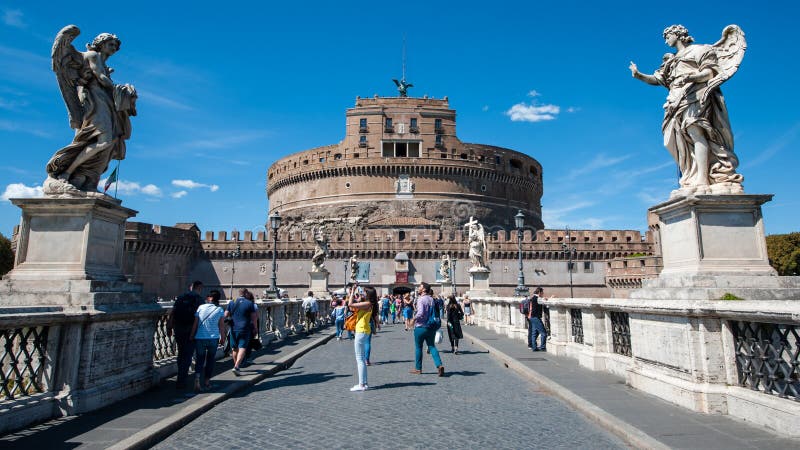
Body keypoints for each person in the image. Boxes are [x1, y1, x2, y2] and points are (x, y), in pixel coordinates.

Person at [629, 24, 744, 196]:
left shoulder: (700, 50)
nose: (666, 40)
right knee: (674, 139)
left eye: (668, 36)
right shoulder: (671, 60)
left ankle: (703, 180)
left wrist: (692, 77)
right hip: (675, 100)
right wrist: (638, 75)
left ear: (678, 34)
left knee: (696, 132)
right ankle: (692, 176)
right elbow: (657, 80)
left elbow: (710, 73)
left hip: (695, 95)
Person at [167, 280, 204, 389]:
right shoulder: (199, 300)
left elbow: (173, 312)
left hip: (178, 328)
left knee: (181, 353)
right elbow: (199, 319)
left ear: (190, 287)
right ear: (199, 288)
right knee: (188, 354)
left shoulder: (181, 297)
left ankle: (180, 375)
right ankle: (181, 379)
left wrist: (169, 326)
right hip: (191, 330)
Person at [190, 289, 225, 392]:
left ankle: (197, 379)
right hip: (213, 338)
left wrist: (192, 335)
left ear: (209, 298)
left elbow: (195, 324)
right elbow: (221, 326)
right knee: (210, 361)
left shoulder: (201, 307)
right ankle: (207, 382)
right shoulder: (219, 310)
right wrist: (222, 338)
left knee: (199, 360)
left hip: (200, 337)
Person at [409, 282, 445, 377]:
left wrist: (413, 319)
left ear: (424, 289)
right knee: (432, 346)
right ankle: (439, 365)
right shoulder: (431, 299)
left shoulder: (421, 299)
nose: (418, 288)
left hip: (421, 327)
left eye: (420, 286)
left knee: (418, 347)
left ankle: (418, 368)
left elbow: (420, 312)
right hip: (431, 327)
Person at [347, 285, 377, 391]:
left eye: (364, 292)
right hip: (364, 330)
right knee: (362, 358)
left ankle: (361, 385)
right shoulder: (368, 303)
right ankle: (364, 382)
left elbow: (350, 304)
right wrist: (355, 294)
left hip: (361, 330)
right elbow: (351, 307)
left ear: (368, 294)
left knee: (360, 359)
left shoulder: (368, 304)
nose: (362, 293)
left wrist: (352, 292)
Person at [225, 288, 258, 375]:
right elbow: (254, 318)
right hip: (244, 328)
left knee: (234, 348)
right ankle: (236, 366)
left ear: (239, 293)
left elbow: (225, 315)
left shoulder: (232, 302)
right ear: (246, 293)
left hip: (233, 328)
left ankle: (236, 366)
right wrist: (255, 328)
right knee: (242, 347)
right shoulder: (250, 303)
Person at [528, 287, 548, 352]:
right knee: (544, 333)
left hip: (532, 317)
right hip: (536, 317)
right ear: (539, 292)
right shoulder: (537, 298)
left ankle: (534, 347)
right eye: (542, 293)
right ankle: (542, 347)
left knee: (534, 333)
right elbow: (543, 302)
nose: (543, 294)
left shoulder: (533, 298)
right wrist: (549, 299)